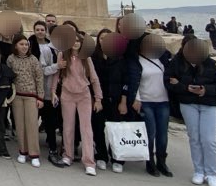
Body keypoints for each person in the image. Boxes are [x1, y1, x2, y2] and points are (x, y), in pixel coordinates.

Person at [166, 36, 216, 186]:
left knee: (209, 140)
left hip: (208, 103)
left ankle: (212, 174)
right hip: (188, 103)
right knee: (194, 138)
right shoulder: (177, 63)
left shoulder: (210, 64)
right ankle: (199, 171)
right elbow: (169, 82)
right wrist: (185, 88)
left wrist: (206, 90)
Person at [52, 33, 103, 176]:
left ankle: (89, 161)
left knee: (86, 128)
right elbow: (57, 74)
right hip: (67, 94)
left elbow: (94, 78)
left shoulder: (86, 58)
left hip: (84, 95)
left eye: (78, 41)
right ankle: (67, 155)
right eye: (73, 40)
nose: (75, 43)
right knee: (68, 127)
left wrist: (98, 98)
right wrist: (53, 91)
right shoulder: (63, 55)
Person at [127, 33, 173, 177]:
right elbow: (135, 82)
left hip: (163, 101)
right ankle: (150, 162)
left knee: (163, 134)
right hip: (146, 101)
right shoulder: (136, 61)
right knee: (150, 133)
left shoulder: (162, 59)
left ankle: (162, 161)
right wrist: (136, 99)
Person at [91, 28, 133, 173]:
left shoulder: (120, 58)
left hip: (116, 99)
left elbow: (126, 80)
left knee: (117, 129)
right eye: (102, 38)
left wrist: (123, 101)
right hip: (99, 99)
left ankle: (117, 158)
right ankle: (101, 155)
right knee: (98, 128)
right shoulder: (93, 57)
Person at [29, 20, 64, 166]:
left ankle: (56, 148)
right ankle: (39, 150)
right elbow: (42, 70)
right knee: (40, 121)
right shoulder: (42, 49)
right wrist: (57, 66)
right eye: (37, 29)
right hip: (44, 89)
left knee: (54, 122)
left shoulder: (61, 48)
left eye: (42, 29)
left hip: (59, 91)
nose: (40, 32)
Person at [7, 33, 44, 167]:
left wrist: (40, 97)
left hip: (31, 96)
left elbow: (39, 78)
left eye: (26, 44)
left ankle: (34, 154)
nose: (24, 47)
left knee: (32, 125)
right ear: (16, 45)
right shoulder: (11, 59)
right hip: (17, 95)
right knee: (20, 125)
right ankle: (22, 151)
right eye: (21, 44)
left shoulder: (33, 59)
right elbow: (8, 77)